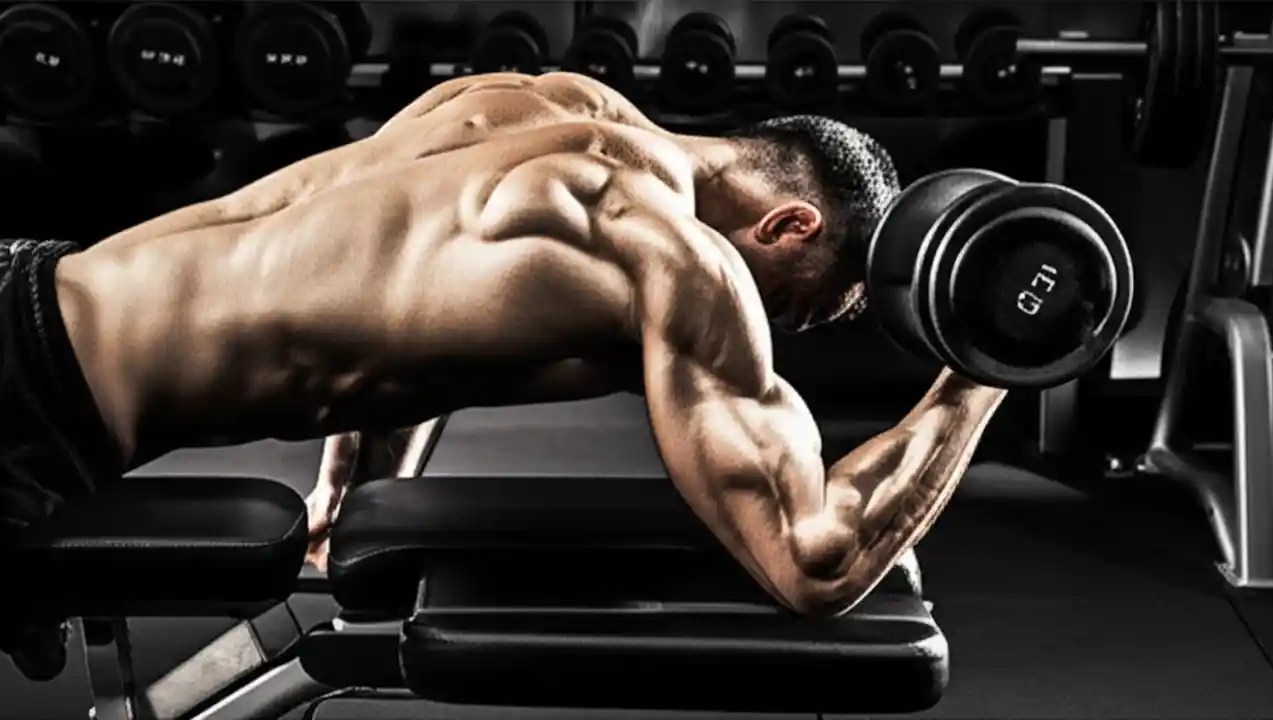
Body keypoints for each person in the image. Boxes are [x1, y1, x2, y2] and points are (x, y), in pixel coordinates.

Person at [1, 71, 1005, 619]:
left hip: (32, 287)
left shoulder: (536, 105)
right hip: (28, 404)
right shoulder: (675, 261)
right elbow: (812, 564)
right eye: (806, 307)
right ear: (786, 227)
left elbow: (389, 304)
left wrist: (339, 504)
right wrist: (983, 365)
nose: (780, 332)